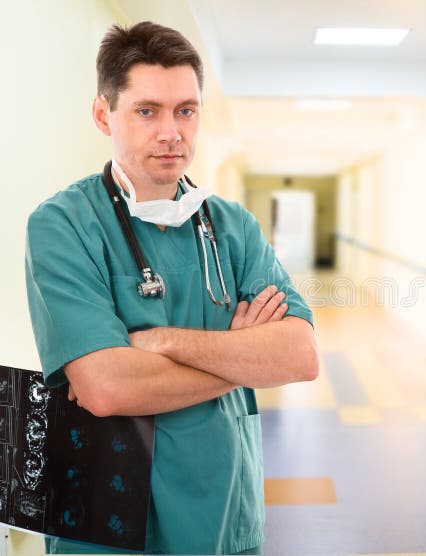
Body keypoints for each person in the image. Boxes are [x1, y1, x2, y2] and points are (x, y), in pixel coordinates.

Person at [25, 21, 318, 555]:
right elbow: (105, 386)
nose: (171, 131)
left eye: (186, 110)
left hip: (224, 514)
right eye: (146, 111)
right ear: (102, 114)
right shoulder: (62, 225)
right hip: (109, 528)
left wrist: (163, 342)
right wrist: (242, 356)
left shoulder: (234, 228)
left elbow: (299, 356)